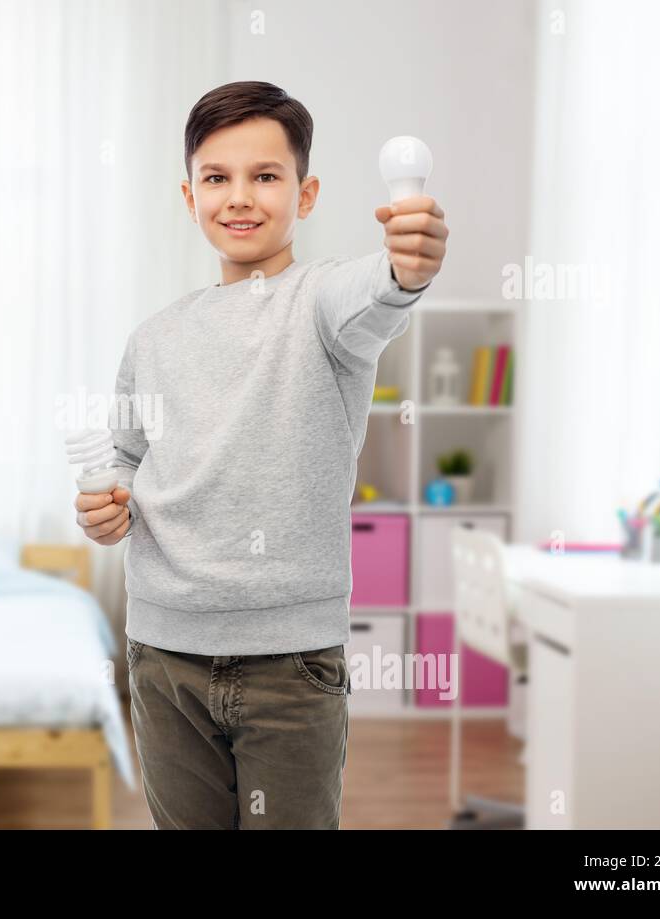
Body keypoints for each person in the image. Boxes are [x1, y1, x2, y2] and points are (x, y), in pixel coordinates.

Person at [75, 80, 448, 828]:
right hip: (162, 653)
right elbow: (124, 452)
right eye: (217, 178)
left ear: (305, 195)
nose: (239, 197)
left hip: (292, 664)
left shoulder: (325, 304)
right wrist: (105, 500)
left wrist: (410, 261)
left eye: (266, 176)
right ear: (190, 196)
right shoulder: (154, 336)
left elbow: (385, 288)